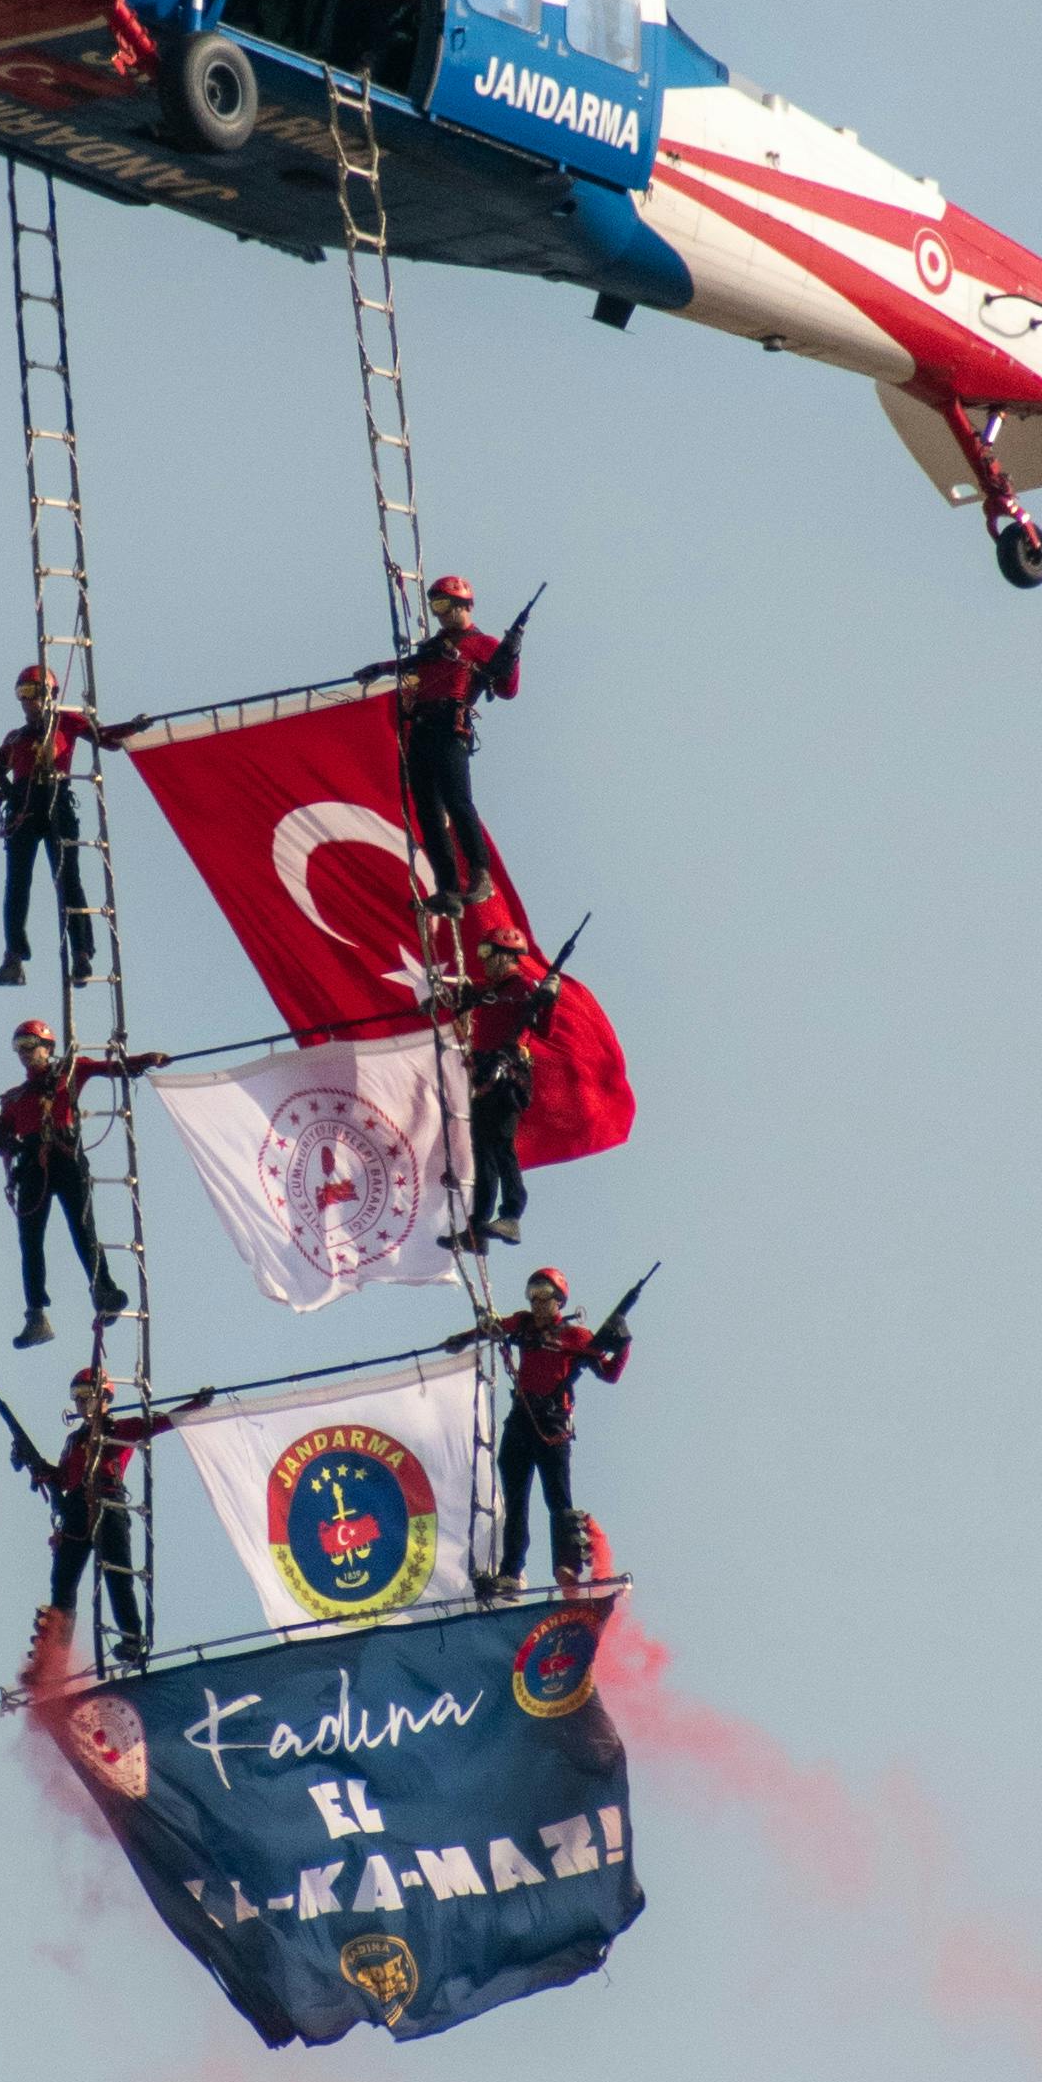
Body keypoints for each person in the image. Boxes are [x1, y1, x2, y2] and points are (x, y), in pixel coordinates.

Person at [0, 1018, 155, 1349]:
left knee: (83, 1226)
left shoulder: (71, 1072)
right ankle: (36, 1316)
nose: (24, 1054)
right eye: (19, 1047)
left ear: (47, 1046)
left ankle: (103, 1289)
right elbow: (4, 1143)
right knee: (30, 1241)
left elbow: (113, 1068)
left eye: (29, 1045)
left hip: (67, 1156)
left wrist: (144, 1061)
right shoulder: (15, 1097)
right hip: (32, 1164)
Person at [472, 1267, 634, 1596]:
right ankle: (510, 1573)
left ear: (559, 1300)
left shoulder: (576, 1338)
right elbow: (496, 1328)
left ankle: (568, 1566)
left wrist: (623, 1342)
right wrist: (476, 1331)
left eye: (543, 1296)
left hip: (552, 1426)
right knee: (516, 1500)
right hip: (521, 1422)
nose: (536, 1303)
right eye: (532, 1296)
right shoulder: (523, 1325)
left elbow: (609, 1373)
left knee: (557, 1498)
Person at [378, 571, 526, 919]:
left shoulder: (484, 645)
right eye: (435, 607)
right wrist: (380, 669)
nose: (440, 613)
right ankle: (448, 889)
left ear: (464, 604)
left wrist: (512, 655)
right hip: (423, 728)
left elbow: (507, 690)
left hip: (450, 727)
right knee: (427, 810)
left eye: (445, 604)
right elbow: (411, 666)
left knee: (458, 802)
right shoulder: (435, 647)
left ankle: (480, 874)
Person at [20, 1361, 185, 1668]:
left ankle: (132, 1638)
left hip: (108, 1505)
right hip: (77, 1510)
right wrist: (42, 1469)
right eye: (77, 1397)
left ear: (104, 1397)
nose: (81, 1403)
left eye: (86, 1395)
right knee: (63, 1580)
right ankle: (55, 1655)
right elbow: (67, 1479)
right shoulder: (75, 1441)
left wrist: (195, 1406)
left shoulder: (119, 1429)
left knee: (117, 1574)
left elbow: (160, 1423)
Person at [0, 662, 109, 990]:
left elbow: (106, 739)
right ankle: (13, 958)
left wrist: (130, 728)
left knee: (68, 878)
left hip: (56, 799)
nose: (28, 702)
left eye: (33, 693)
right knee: (16, 885)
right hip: (23, 807)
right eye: (22, 695)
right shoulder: (17, 737)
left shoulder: (65, 722)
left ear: (49, 694)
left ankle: (81, 953)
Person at [444, 923, 564, 1247]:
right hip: (484, 1073)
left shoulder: (524, 987)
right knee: (482, 1152)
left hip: (509, 1074)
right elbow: (467, 996)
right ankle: (478, 1225)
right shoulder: (489, 990)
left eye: (487, 953)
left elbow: (544, 1031)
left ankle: (512, 1214)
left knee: (500, 1144)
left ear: (506, 955)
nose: (483, 959)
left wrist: (550, 998)